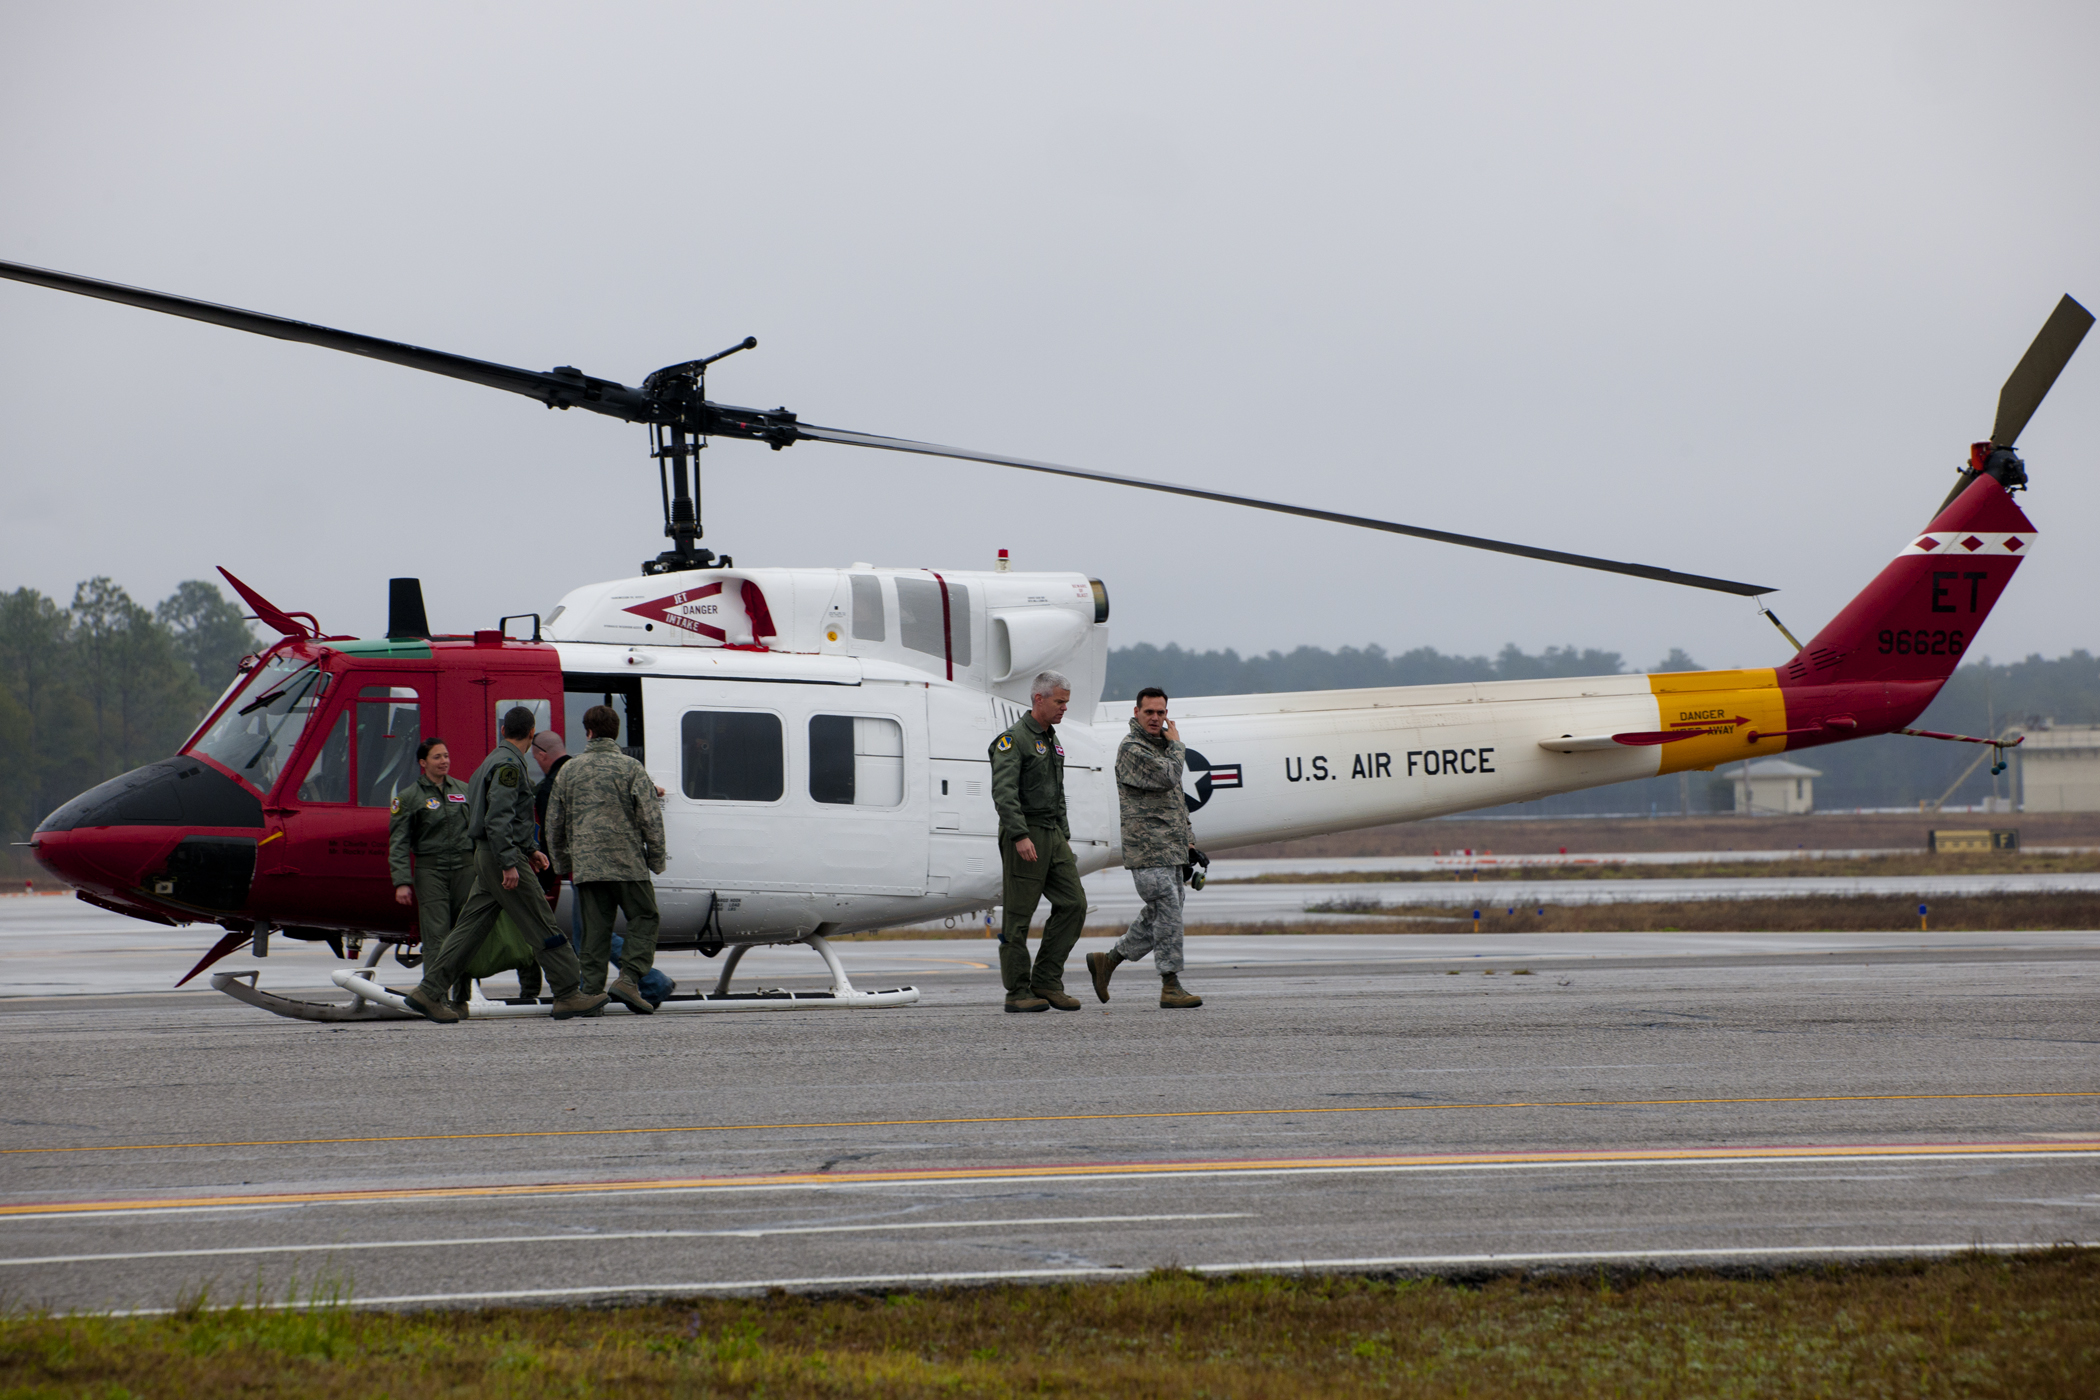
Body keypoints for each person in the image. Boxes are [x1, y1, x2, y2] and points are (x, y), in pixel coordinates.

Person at [404, 707, 601, 1024]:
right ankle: (568, 993)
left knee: (469, 930)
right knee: (541, 922)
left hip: (487, 856)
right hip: (500, 857)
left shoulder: (490, 762)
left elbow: (504, 817)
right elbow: (498, 820)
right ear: (531, 732)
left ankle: (430, 990)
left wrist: (530, 849)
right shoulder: (509, 765)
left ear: (503, 730)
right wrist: (511, 862)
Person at [547, 704, 673, 1015]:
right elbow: (650, 818)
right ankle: (629, 979)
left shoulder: (569, 770)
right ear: (615, 733)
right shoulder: (631, 768)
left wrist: (563, 864)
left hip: (587, 868)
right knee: (645, 917)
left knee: (594, 931)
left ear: (588, 732)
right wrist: (656, 859)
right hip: (627, 863)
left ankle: (590, 994)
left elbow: (554, 823)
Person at [1089, 687, 1202, 1008]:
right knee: (1167, 913)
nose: (1155, 718)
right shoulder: (1133, 749)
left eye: (1161, 713)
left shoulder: (1163, 748)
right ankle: (1171, 984)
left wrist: (1189, 843)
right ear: (1136, 712)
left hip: (1170, 848)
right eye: (1149, 712)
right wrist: (1178, 743)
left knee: (1162, 913)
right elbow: (1168, 776)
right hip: (1148, 849)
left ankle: (1107, 961)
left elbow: (1176, 802)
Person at [989, 670, 1087, 1012]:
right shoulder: (1013, 740)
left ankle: (1046, 979)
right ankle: (1017, 992)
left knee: (1074, 904)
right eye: (1059, 702)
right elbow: (1004, 793)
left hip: (1052, 834)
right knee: (1018, 917)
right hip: (1025, 833)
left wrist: (1064, 838)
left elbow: (1057, 794)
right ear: (1038, 699)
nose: (1064, 708)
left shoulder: (1051, 740)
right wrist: (1019, 835)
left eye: (1066, 703)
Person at [386, 737, 476, 1014]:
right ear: (423, 763)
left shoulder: (464, 790)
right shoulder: (409, 798)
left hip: (464, 869)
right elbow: (399, 842)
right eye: (437, 757)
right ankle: (434, 997)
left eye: (446, 755)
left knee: (464, 934)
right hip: (431, 871)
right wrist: (402, 881)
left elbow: (478, 831)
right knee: (437, 937)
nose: (444, 761)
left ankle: (461, 999)